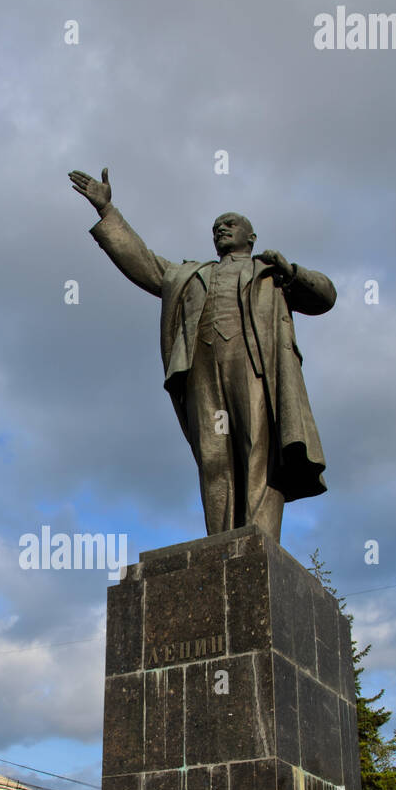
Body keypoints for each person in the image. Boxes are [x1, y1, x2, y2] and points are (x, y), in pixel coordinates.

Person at [69, 167, 336, 543]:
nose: (220, 229)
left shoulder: (271, 272)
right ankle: (221, 544)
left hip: (256, 364)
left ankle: (257, 545)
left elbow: (325, 297)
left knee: (257, 449)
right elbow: (143, 263)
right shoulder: (190, 274)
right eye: (215, 227)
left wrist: (291, 271)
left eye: (229, 224)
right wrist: (108, 212)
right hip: (203, 366)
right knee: (214, 458)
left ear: (251, 236)